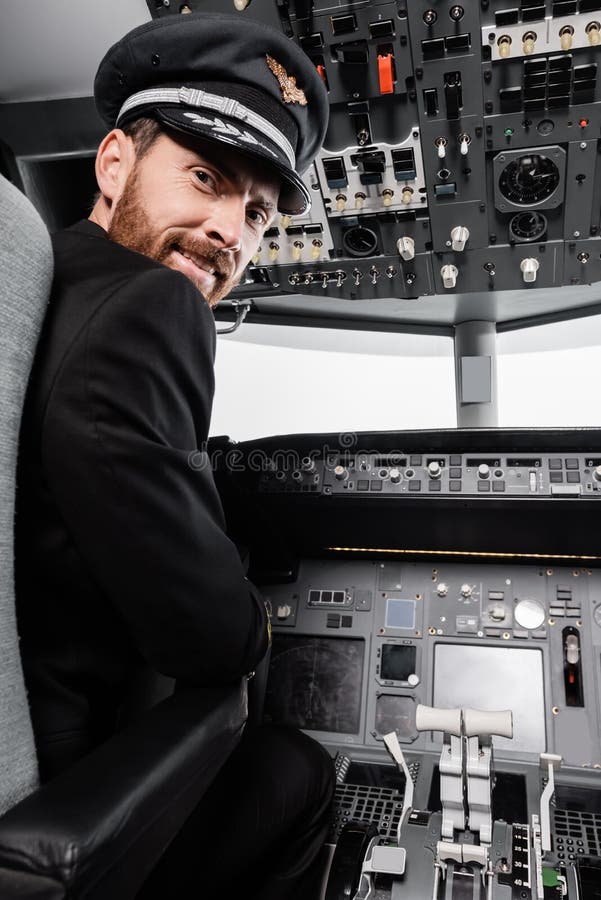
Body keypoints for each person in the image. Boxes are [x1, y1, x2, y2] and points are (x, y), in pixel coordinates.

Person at [15, 11, 333, 899]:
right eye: (205, 176)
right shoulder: (158, 303)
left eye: (257, 212)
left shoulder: (51, 281)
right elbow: (212, 638)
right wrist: (249, 609)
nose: (230, 230)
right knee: (299, 772)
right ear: (114, 163)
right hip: (73, 772)